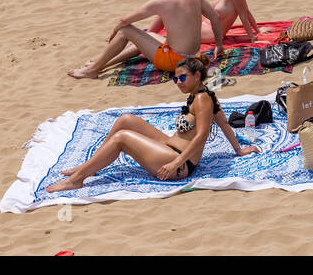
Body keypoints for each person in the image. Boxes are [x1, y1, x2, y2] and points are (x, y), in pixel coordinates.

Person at [48, 52, 258, 191]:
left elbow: (202, 135)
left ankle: (77, 180)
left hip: (180, 164)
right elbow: (223, 123)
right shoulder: (204, 94)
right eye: (176, 79)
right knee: (126, 120)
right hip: (170, 147)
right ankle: (91, 167)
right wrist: (238, 150)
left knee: (122, 138)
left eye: (182, 78)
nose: (178, 83)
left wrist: (175, 162)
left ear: (196, 76)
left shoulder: (203, 99)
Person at [67, 0, 224, 79]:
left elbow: (124, 20)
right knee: (145, 34)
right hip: (192, 55)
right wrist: (218, 45)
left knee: (126, 31)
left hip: (174, 61)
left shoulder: (161, 1)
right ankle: (101, 63)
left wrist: (115, 31)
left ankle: (93, 70)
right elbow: (215, 18)